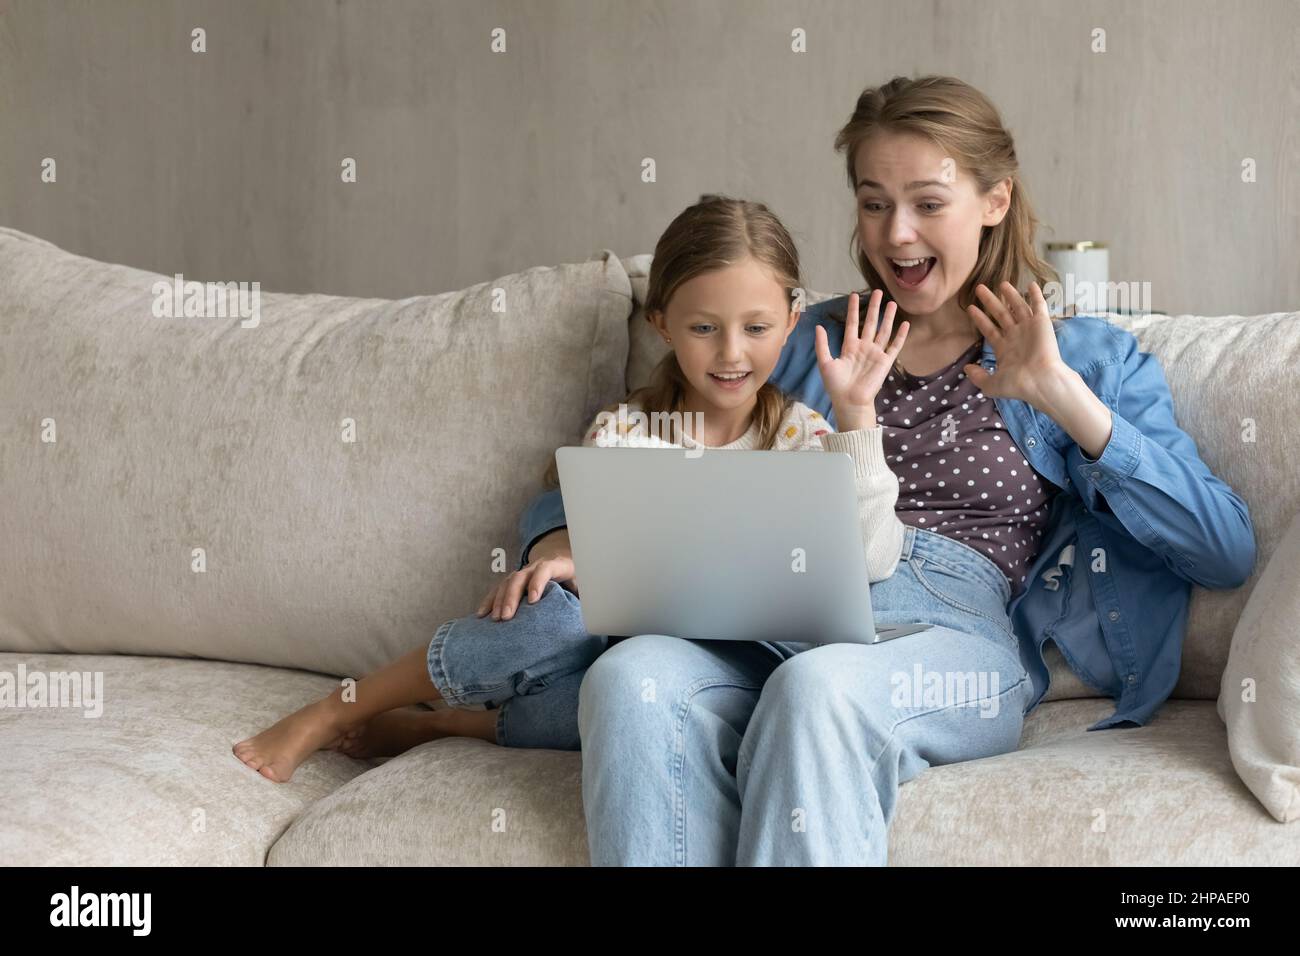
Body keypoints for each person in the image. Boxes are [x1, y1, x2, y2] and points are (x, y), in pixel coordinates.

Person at [512, 75, 1256, 865]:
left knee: (821, 691)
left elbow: (1223, 548)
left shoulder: (1085, 358)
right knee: (630, 680)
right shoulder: (795, 340)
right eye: (874, 203)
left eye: (928, 204)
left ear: (994, 200)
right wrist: (559, 538)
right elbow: (628, 444)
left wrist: (1064, 397)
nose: (896, 235)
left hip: (951, 635)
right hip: (773, 621)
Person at [232, 193, 910, 783]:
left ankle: (449, 726)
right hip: (604, 657)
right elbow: (596, 570)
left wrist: (858, 419)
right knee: (558, 624)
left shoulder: (808, 438)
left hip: (712, 681)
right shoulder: (626, 430)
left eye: (756, 329)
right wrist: (563, 558)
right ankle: (338, 708)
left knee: (656, 707)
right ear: (662, 325)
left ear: (791, 322)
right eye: (704, 328)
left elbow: (868, 560)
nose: (732, 353)